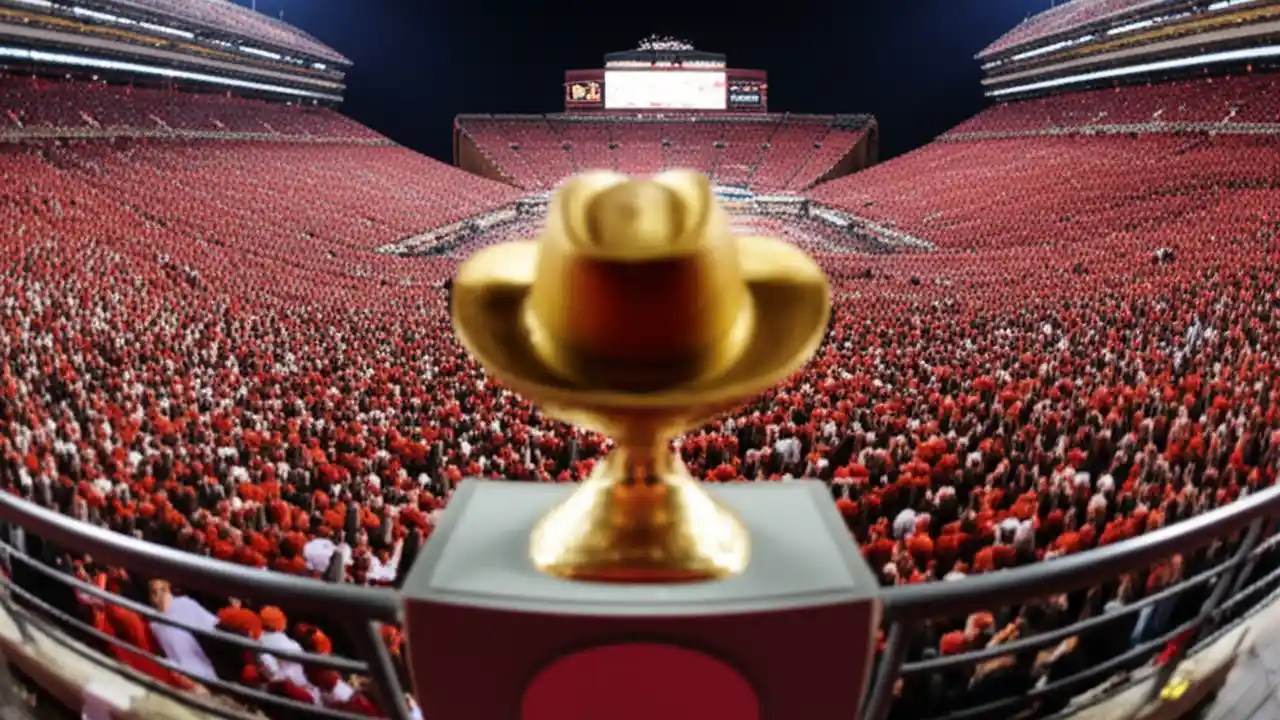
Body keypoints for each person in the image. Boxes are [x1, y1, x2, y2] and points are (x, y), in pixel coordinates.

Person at [147, 579, 218, 682]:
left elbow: (214, 626)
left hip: (202, 675)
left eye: (159, 590)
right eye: (153, 592)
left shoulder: (185, 604)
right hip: (181, 679)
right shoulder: (154, 624)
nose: (157, 596)